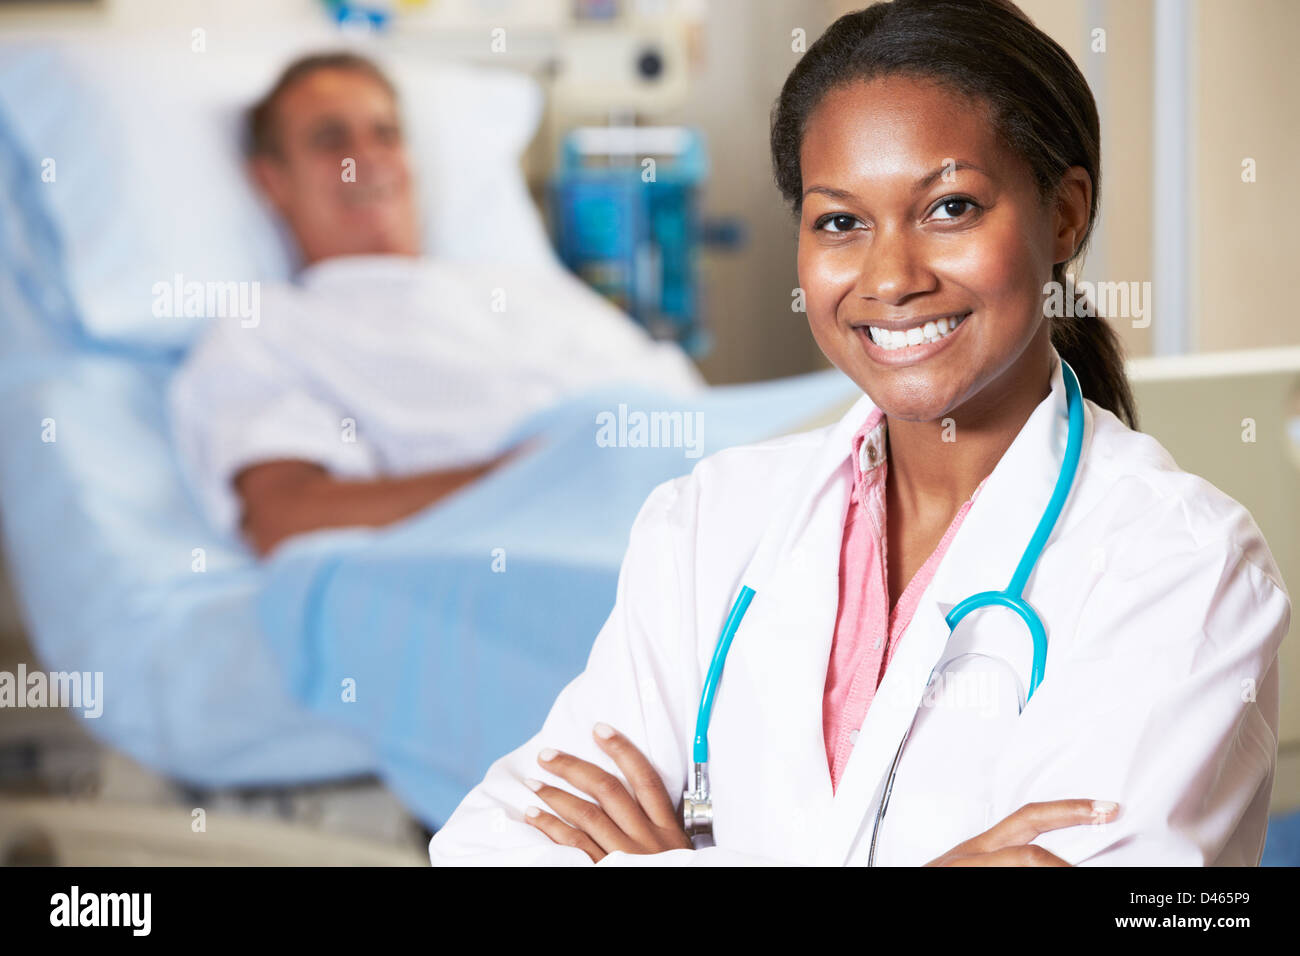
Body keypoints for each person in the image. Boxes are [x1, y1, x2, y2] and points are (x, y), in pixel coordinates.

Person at [427, 0, 1290, 866]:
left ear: (1063, 216)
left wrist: (661, 861)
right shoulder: (708, 526)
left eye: (950, 208)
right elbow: (487, 847)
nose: (891, 278)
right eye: (840, 221)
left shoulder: (1180, 567)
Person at [168, 53, 703, 556]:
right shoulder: (267, 327)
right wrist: (532, 477)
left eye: (386, 133)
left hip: (693, 487)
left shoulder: (526, 287)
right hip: (547, 539)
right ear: (272, 179)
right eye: (330, 140)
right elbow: (287, 515)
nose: (367, 158)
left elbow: (681, 405)